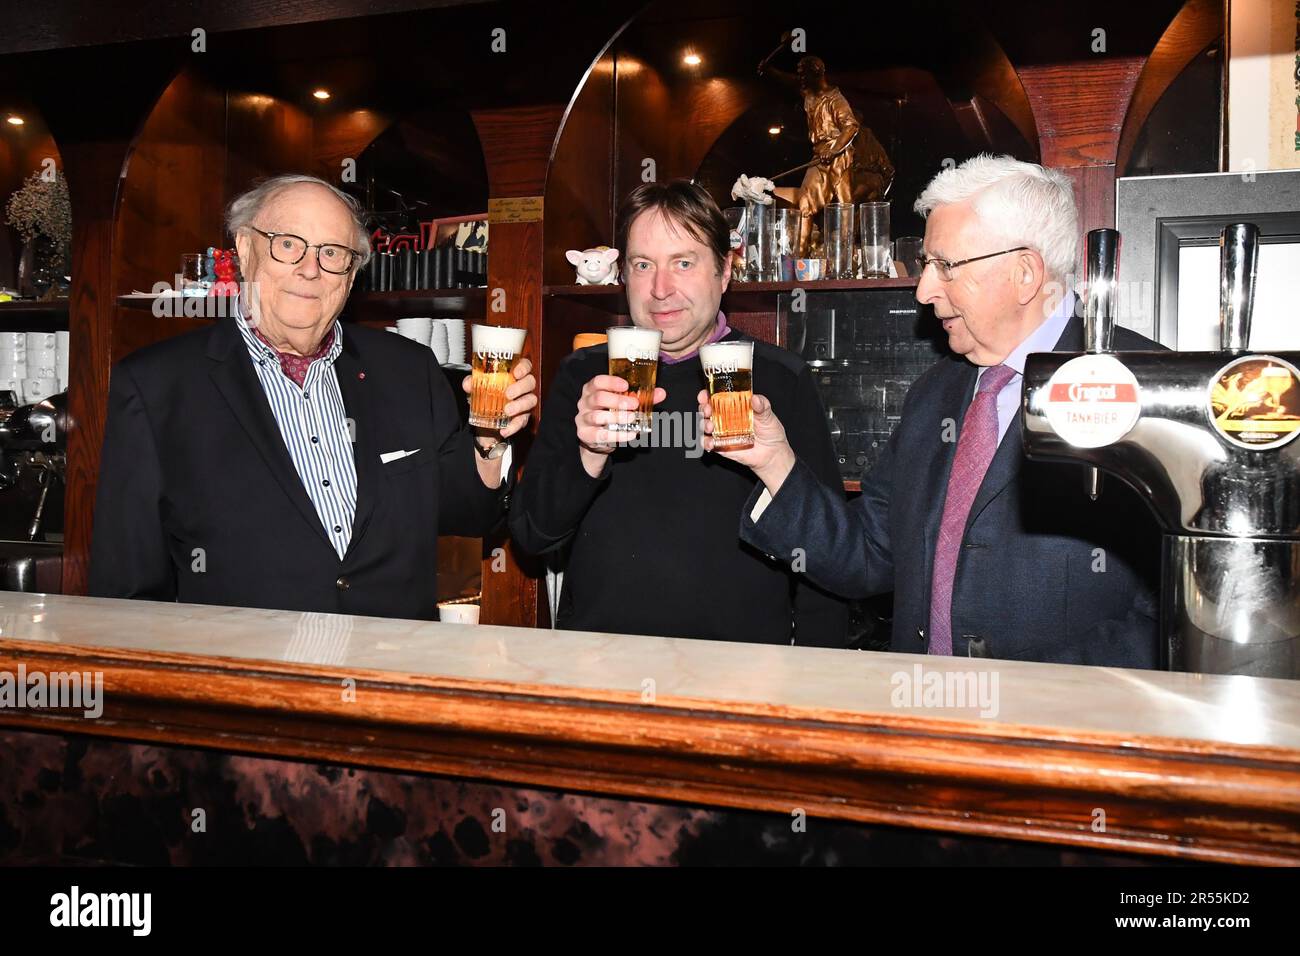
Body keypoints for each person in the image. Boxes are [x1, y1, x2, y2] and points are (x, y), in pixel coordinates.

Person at [700, 155, 1163, 668]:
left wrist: (1035, 698)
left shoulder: (1146, 389)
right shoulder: (934, 395)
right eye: (926, 265)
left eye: (945, 266)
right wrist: (775, 462)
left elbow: (1168, 619)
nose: (923, 291)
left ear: (1025, 272)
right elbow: (871, 557)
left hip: (1061, 737)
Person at [89, 174, 537, 620]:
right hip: (242, 677)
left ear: (352, 271)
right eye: (288, 244)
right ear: (245, 249)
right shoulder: (157, 385)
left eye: (332, 253)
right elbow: (126, 590)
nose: (310, 268)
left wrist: (489, 440)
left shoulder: (409, 369)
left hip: (390, 669)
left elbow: (465, 516)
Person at [510, 180, 848, 646]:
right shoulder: (585, 377)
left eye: (683, 263)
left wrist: (817, 684)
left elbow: (830, 554)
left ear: (724, 273)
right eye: (643, 265)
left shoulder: (779, 379)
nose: (660, 289)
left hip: (741, 679)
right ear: (623, 276)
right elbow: (532, 536)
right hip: (602, 668)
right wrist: (588, 454)